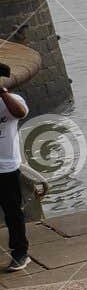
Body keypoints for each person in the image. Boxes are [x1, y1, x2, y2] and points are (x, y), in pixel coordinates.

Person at [0, 65, 29, 272]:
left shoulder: (13, 101)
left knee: (13, 213)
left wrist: (3, 94)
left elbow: (20, 113)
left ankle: (20, 253)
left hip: (6, 168)